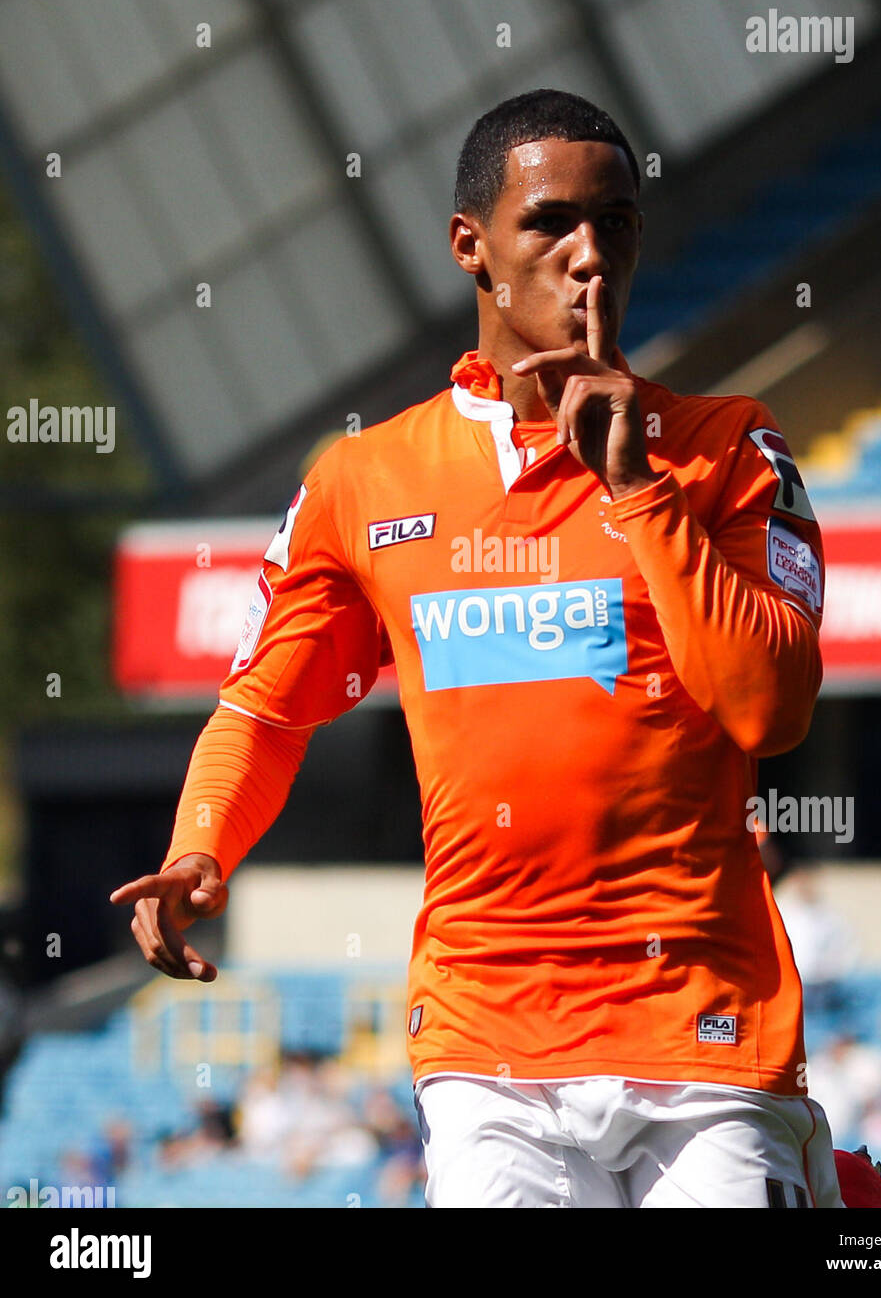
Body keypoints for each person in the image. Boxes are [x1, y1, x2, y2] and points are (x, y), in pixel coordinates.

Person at [111, 89, 841, 1208]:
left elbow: (770, 709)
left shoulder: (728, 446)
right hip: (486, 1042)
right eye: (550, 222)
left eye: (616, 223)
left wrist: (637, 487)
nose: (589, 256)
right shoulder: (363, 480)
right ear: (471, 246)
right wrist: (201, 842)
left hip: (704, 1025)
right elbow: (265, 708)